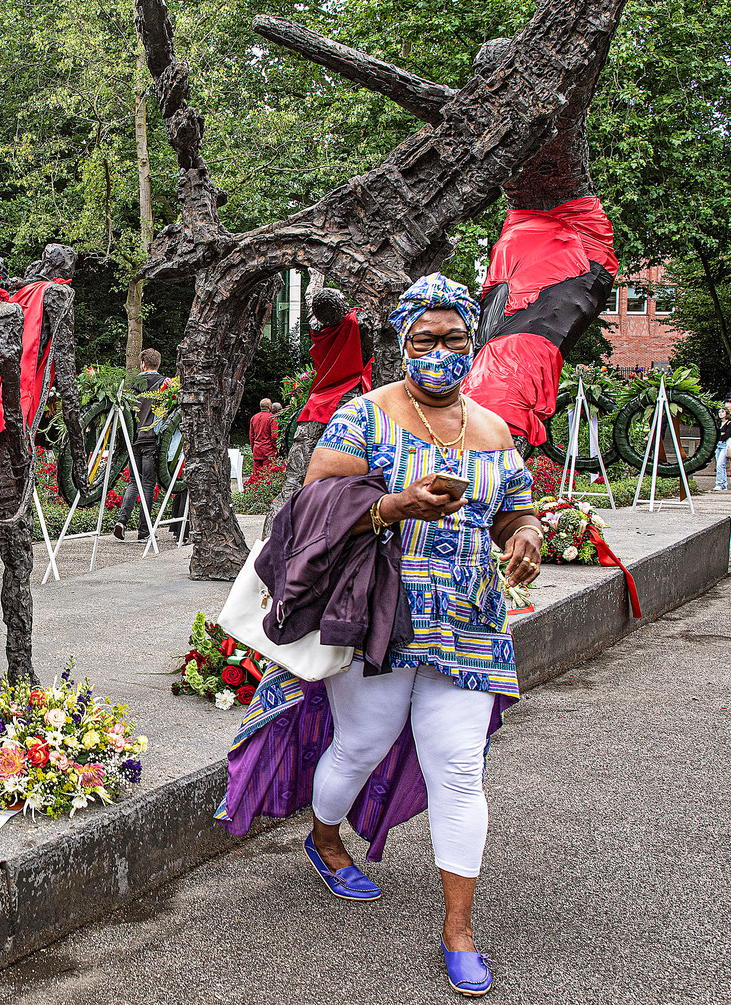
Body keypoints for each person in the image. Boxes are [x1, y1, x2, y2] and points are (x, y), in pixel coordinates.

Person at [216, 274, 542, 998]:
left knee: (460, 769)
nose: (439, 351)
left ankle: (458, 928)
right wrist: (395, 504)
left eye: (453, 337)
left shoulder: (492, 429)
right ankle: (327, 838)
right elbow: (311, 509)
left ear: (472, 340)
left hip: (470, 626)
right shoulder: (364, 417)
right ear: (403, 344)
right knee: (360, 745)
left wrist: (526, 533)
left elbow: (516, 508)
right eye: (424, 339)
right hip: (380, 624)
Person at [113, 348, 168, 541]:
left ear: (143, 364)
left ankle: (121, 521)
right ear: (158, 364)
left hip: (134, 438)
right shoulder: (165, 384)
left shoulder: (133, 383)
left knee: (133, 482)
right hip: (152, 438)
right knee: (147, 484)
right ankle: (144, 531)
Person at [249, 398, 280, 467]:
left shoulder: (254, 418)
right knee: (267, 474)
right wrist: (276, 449)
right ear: (270, 407)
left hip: (257, 450)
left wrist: (253, 449)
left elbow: (251, 436)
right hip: (268, 451)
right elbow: (274, 436)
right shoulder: (272, 418)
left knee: (256, 475)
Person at [715, 403, 731, 491]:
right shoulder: (718, 423)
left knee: (720, 464)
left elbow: (728, 434)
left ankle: (719, 483)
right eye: (719, 412)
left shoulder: (729, 423)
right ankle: (724, 484)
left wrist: (720, 436)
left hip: (724, 445)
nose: (720, 414)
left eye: (722, 412)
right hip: (717, 445)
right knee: (720, 465)